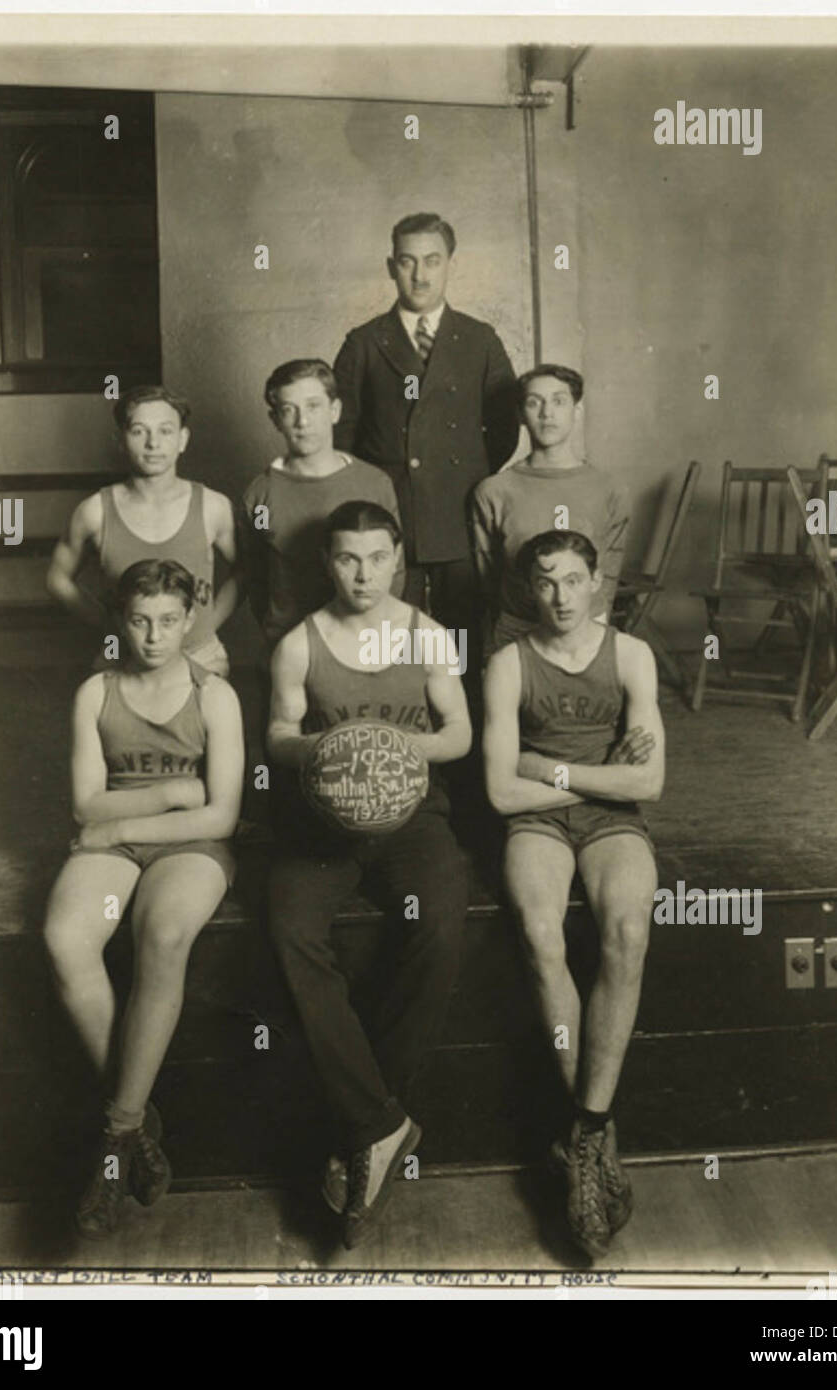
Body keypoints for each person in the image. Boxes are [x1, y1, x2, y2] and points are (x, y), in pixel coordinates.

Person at [266, 500, 471, 1248]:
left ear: (397, 562)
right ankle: (380, 1124)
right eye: (347, 558)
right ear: (328, 562)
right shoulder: (300, 643)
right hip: (324, 819)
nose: (361, 572)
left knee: (443, 926)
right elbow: (279, 733)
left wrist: (392, 749)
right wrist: (330, 750)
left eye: (376, 557)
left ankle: (364, 1128)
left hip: (414, 816)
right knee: (289, 927)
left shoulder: (427, 634)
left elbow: (460, 731)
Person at [44, 559, 244, 1238]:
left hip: (188, 848)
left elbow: (220, 817)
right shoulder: (95, 693)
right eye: (138, 620)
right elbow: (81, 803)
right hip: (118, 846)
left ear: (191, 617)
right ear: (119, 619)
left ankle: (116, 1135)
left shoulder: (215, 695)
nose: (153, 636)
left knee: (160, 938)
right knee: (68, 938)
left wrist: (122, 821)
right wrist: (166, 794)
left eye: (167, 620)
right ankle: (136, 1119)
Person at [481, 529, 664, 1259]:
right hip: (535, 821)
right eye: (546, 582)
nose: (559, 596)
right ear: (531, 590)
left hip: (612, 819)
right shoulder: (506, 664)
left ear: (597, 584)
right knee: (539, 933)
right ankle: (594, 1130)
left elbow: (647, 783)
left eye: (573, 580)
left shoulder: (632, 655)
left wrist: (546, 765)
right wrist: (588, 771)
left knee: (626, 932)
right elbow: (498, 791)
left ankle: (583, 1134)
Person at [333, 212, 519, 637]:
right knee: (389, 634)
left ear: (451, 264)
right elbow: (341, 433)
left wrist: (467, 475)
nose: (420, 276)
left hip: (460, 510)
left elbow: (505, 426)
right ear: (390, 267)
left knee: (463, 638)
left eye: (432, 261)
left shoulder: (479, 339)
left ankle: (464, 706)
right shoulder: (364, 342)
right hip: (390, 513)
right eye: (407, 261)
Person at [47, 385, 239, 676]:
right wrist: (110, 622)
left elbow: (247, 570)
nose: (153, 443)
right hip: (122, 652)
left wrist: (208, 622)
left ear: (183, 439)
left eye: (165, 431)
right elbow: (57, 578)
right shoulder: (94, 511)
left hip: (198, 653)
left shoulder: (213, 506)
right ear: (121, 440)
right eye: (139, 431)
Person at [238, 359, 405, 651]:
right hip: (290, 645)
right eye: (289, 410)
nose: (303, 421)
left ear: (335, 411)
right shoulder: (260, 497)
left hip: (365, 640)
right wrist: (280, 632)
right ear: (275, 420)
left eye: (314, 406)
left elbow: (395, 566)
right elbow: (257, 576)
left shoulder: (374, 483)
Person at [470, 364, 628, 661]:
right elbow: (486, 574)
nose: (547, 413)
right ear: (520, 415)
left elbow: (611, 565)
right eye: (534, 402)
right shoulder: (494, 490)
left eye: (559, 401)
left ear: (576, 411)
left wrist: (592, 620)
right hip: (516, 631)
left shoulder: (607, 488)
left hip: (585, 629)